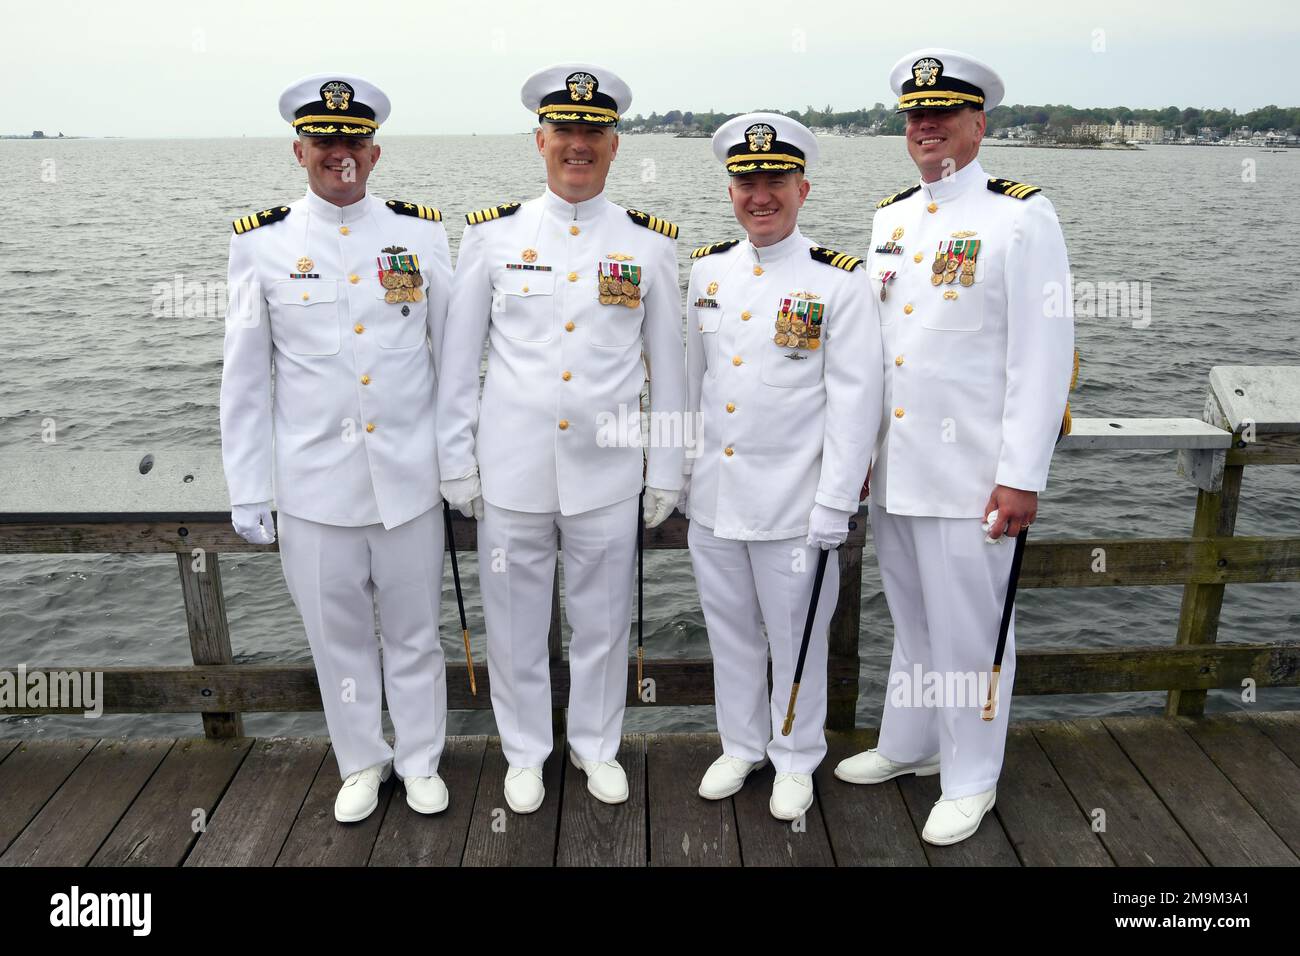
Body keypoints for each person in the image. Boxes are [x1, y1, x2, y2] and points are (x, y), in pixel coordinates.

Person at [835, 50, 1075, 844]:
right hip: (900, 468)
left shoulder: (1021, 217)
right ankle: (911, 745)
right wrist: (863, 453)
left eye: (942, 113)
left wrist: (1020, 476)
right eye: (914, 114)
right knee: (914, 620)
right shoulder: (892, 218)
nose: (926, 126)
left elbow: (1042, 357)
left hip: (975, 478)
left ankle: (972, 777)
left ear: (980, 122)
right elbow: (879, 349)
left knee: (972, 632)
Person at [437, 64, 686, 815]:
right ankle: (524, 753)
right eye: (565, 132)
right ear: (540, 139)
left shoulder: (649, 245)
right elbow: (458, 364)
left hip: (608, 473)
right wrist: (456, 462)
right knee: (513, 624)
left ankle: (596, 747)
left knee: (605, 624)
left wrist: (666, 472)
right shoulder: (491, 237)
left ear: (614, 145)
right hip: (510, 474)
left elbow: (670, 372)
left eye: (594, 133)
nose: (578, 145)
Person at [220, 74, 453, 823]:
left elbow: (451, 361)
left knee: (417, 636)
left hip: (410, 481)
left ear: (374, 151)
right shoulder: (260, 244)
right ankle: (362, 761)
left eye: (352, 141)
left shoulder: (421, 234)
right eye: (324, 141)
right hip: (315, 488)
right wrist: (249, 489)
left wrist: (460, 460)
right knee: (338, 642)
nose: (339, 154)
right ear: (300, 151)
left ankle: (420, 761)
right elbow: (246, 380)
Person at [683, 113, 881, 820]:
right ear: (731, 190)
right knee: (729, 631)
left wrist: (834, 504)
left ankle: (796, 755)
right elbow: (689, 383)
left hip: (796, 506)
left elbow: (856, 403)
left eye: (774, 182)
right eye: (745, 182)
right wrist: (675, 478)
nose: (758, 195)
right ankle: (742, 746)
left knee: (799, 637)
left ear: (803, 189)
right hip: (714, 499)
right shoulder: (706, 272)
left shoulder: (839, 283)